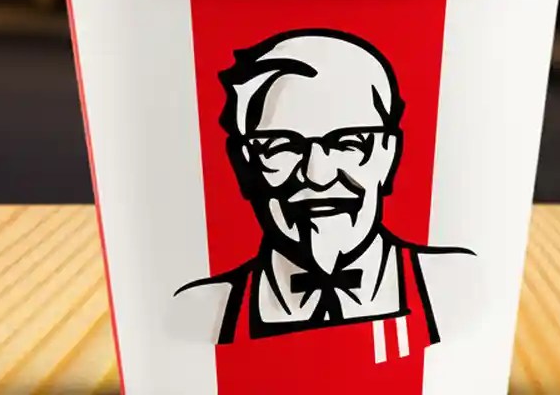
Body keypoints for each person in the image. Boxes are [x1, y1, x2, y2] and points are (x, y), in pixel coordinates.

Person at [176, 29, 473, 351]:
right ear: (245, 165)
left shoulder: (455, 287)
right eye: (281, 146)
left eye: (348, 143)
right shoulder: (200, 312)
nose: (317, 175)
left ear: (389, 154)